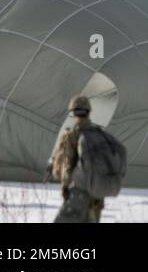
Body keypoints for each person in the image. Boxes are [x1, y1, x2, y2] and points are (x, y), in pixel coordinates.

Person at [49, 94, 127, 223]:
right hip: (97, 190)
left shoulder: (73, 134)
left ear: (73, 112)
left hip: (79, 191)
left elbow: (68, 163)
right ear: (89, 111)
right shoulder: (99, 134)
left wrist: (65, 186)